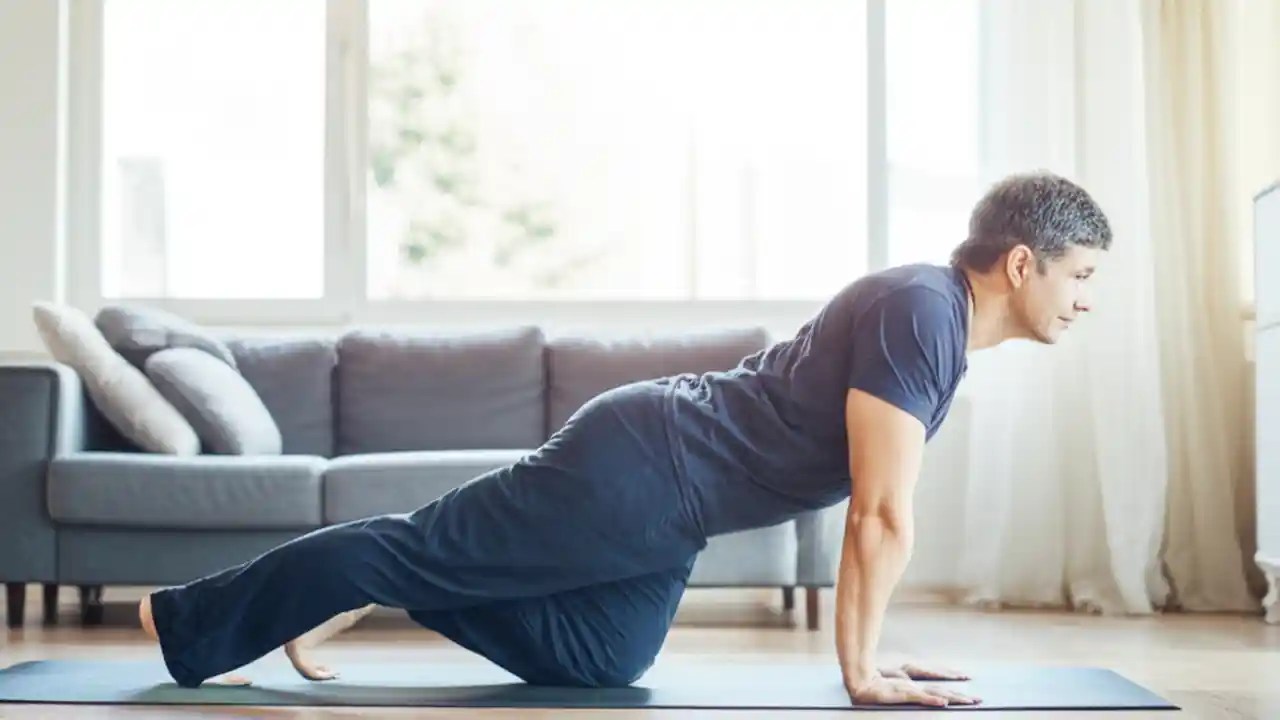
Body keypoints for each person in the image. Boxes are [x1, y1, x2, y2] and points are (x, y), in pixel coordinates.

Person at [138, 170, 1110, 708]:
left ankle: (369, 580)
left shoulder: (932, 323)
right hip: (646, 462)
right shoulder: (920, 310)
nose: (1082, 300)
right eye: (1078, 275)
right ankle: (184, 619)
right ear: (1019, 263)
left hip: (675, 505)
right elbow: (881, 514)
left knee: (602, 661)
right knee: (416, 546)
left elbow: (876, 511)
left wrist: (874, 653)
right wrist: (859, 671)